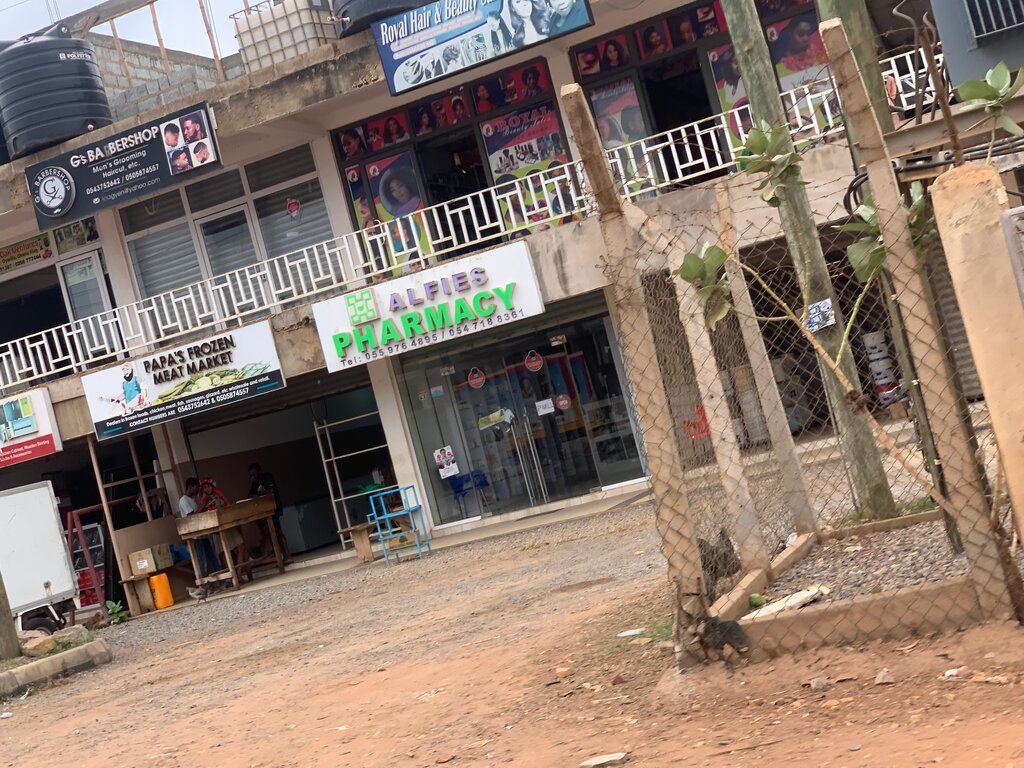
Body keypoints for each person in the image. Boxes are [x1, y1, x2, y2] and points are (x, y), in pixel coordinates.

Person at [178, 477, 222, 579]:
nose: (198, 490)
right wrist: (204, 506)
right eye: (197, 487)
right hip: (196, 537)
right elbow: (193, 517)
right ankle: (205, 585)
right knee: (201, 562)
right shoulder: (184, 500)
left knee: (213, 558)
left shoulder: (192, 500)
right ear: (190, 487)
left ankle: (223, 582)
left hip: (202, 535)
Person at [248, 463, 291, 563]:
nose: (252, 476)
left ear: (259, 472)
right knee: (269, 534)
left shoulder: (267, 477)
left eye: (254, 474)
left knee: (278, 532)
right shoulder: (255, 482)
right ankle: (280, 557)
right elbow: (250, 495)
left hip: (274, 508)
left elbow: (270, 492)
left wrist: (258, 495)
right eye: (250, 475)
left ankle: (287, 555)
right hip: (264, 512)